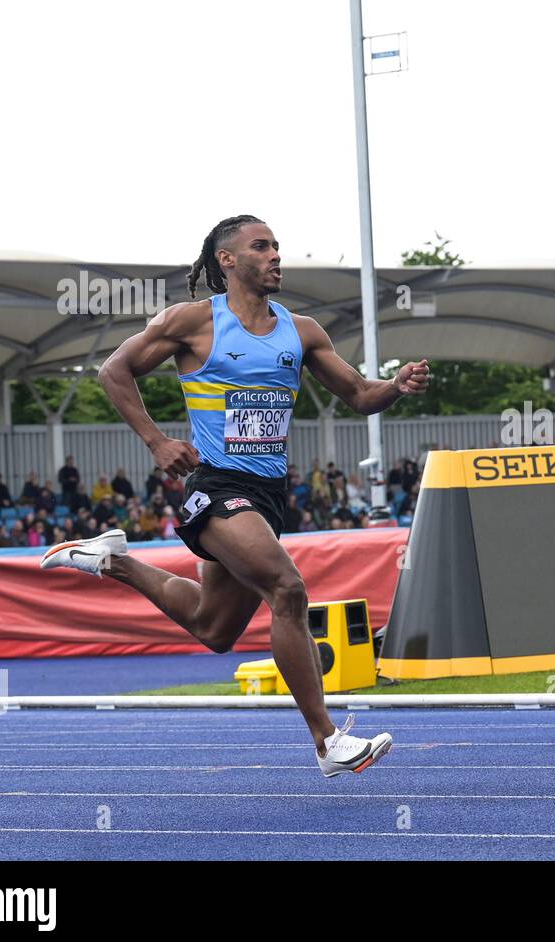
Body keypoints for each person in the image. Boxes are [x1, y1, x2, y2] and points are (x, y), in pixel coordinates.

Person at [41, 215, 430, 776]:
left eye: (277, 246)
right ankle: (327, 742)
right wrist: (156, 442)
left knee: (214, 628)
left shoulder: (302, 331)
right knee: (287, 589)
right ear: (227, 260)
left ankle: (115, 561)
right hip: (217, 487)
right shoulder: (193, 322)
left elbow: (360, 393)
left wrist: (396, 386)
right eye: (262, 246)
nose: (276, 255)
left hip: (268, 496)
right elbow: (114, 370)